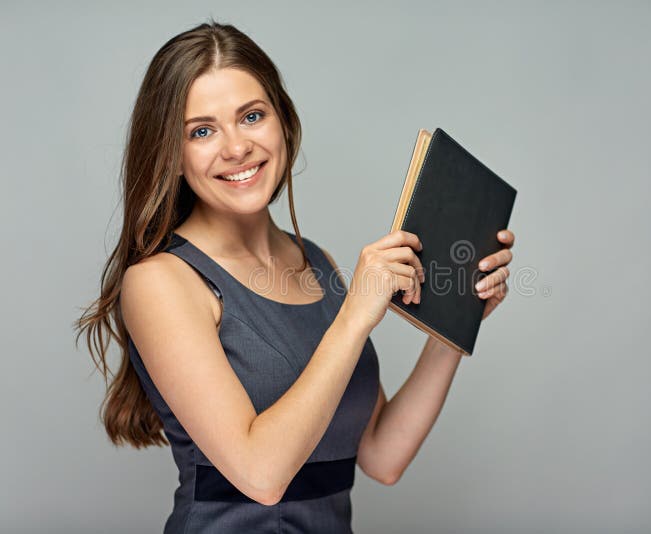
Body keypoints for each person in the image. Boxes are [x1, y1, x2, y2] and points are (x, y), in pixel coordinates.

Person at [74, 20, 515, 534]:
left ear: (282, 122)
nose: (236, 147)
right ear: (171, 155)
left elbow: (382, 456)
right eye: (201, 130)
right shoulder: (161, 282)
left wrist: (458, 318)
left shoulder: (319, 263)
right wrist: (353, 318)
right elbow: (260, 474)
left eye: (252, 116)